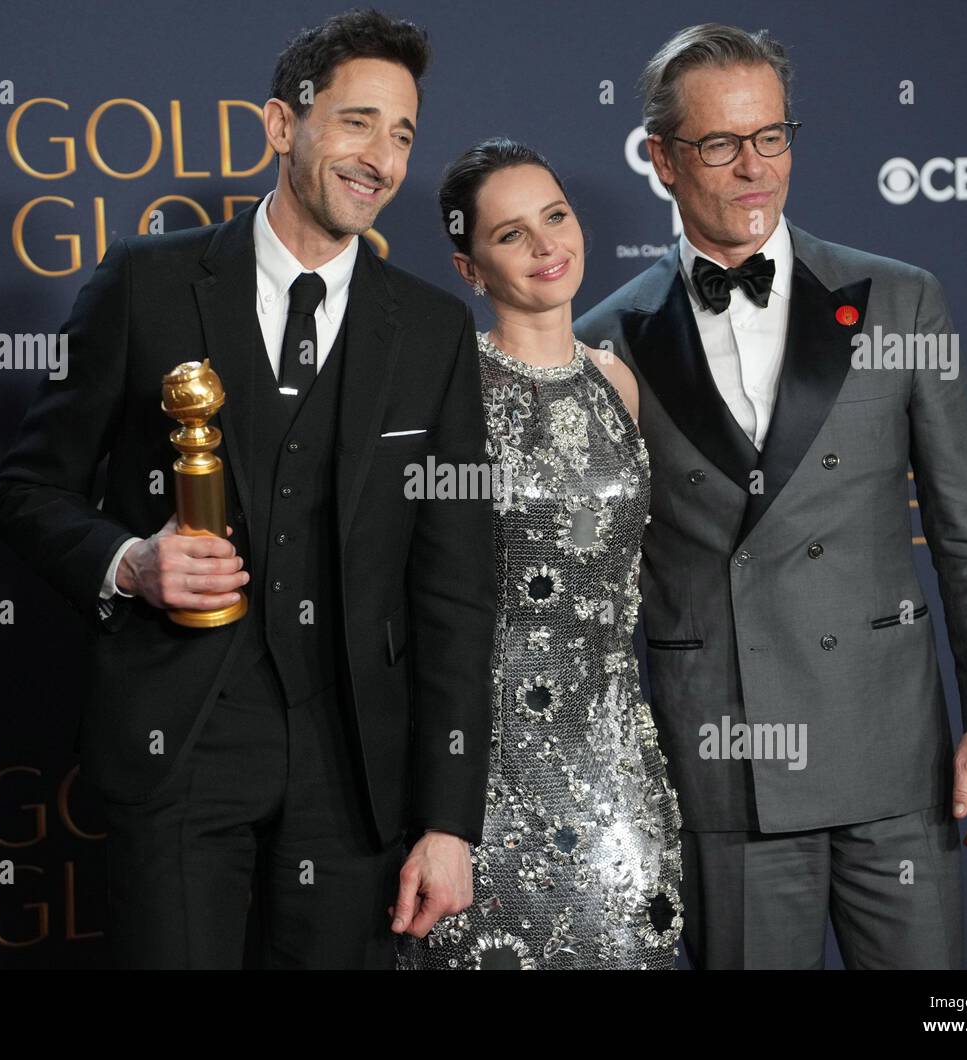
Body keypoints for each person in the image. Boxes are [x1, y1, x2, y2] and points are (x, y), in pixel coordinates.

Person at [0, 8, 495, 969]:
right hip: (179, 753)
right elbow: (27, 491)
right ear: (280, 126)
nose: (381, 158)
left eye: (402, 136)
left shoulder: (432, 333)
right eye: (357, 122)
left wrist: (448, 820)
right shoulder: (148, 284)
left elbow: (457, 590)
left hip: (356, 775)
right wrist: (130, 562)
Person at [575, 23, 967, 969]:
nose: (754, 169)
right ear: (661, 158)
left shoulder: (901, 301)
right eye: (720, 144)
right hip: (726, 772)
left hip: (892, 760)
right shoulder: (604, 341)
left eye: (772, 136)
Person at [397, 138, 683, 970]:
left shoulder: (616, 382)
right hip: (484, 778)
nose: (547, 245)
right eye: (511, 234)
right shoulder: (447, 395)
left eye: (554, 216)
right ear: (469, 268)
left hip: (618, 767)